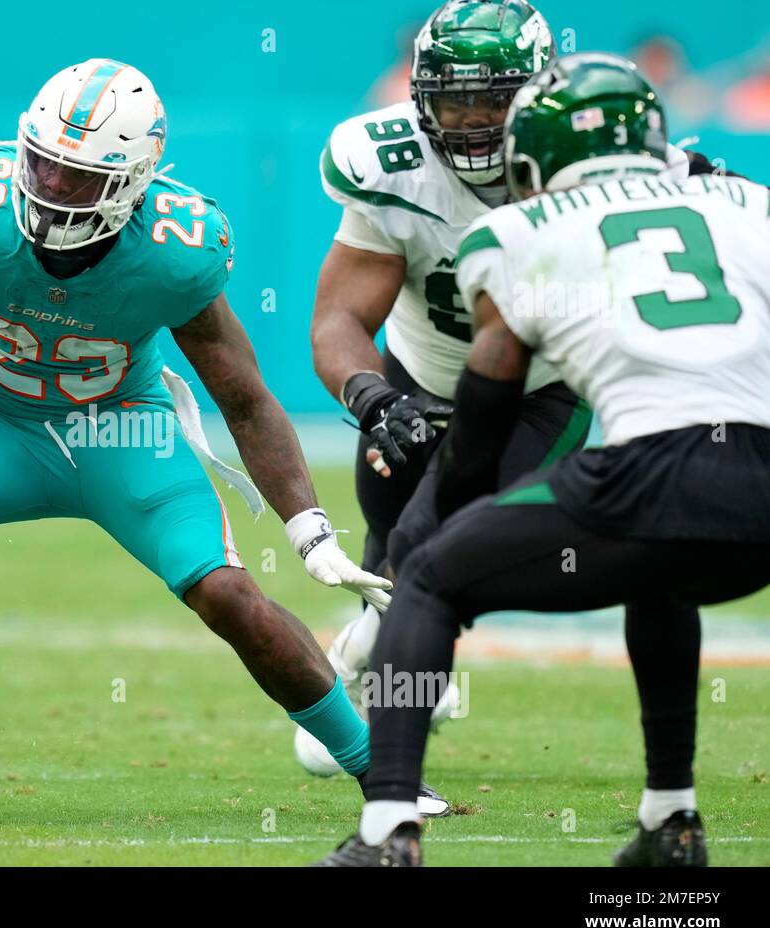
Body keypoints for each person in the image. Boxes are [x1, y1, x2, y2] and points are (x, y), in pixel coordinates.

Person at [0, 58, 452, 815]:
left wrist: (310, 533)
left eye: (76, 176)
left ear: (132, 183)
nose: (48, 186)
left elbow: (242, 397)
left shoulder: (174, 250)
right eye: (40, 162)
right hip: (0, 426)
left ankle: (382, 772)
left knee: (229, 596)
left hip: (122, 436)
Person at [320, 53, 770, 866]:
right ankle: (671, 821)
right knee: (660, 572)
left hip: (648, 473)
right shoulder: (751, 202)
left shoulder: (520, 231)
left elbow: (487, 414)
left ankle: (387, 832)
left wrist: (439, 515)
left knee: (424, 571)